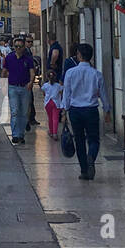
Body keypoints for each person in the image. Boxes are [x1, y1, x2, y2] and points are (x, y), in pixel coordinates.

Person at [61, 43, 110, 180]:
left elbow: (67, 94)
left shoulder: (70, 73)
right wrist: (107, 110)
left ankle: (84, 170)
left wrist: (64, 111)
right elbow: (103, 94)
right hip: (91, 110)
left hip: (75, 111)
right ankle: (91, 158)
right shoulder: (97, 74)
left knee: (79, 140)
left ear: (79, 56)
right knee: (94, 139)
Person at [3, 36, 36, 145]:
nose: (18, 48)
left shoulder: (28, 59)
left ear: (23, 47)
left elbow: (32, 72)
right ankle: (15, 135)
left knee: (24, 112)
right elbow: (4, 71)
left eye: (20, 47)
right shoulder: (9, 57)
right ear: (13, 47)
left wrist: (31, 82)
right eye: (16, 46)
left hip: (25, 87)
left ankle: (21, 134)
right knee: (15, 111)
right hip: (13, 87)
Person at [41, 68, 63, 140]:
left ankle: (51, 131)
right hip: (56, 103)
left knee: (50, 118)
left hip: (48, 103)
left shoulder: (45, 85)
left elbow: (44, 93)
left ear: (47, 77)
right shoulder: (58, 86)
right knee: (55, 118)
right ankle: (55, 133)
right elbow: (61, 92)